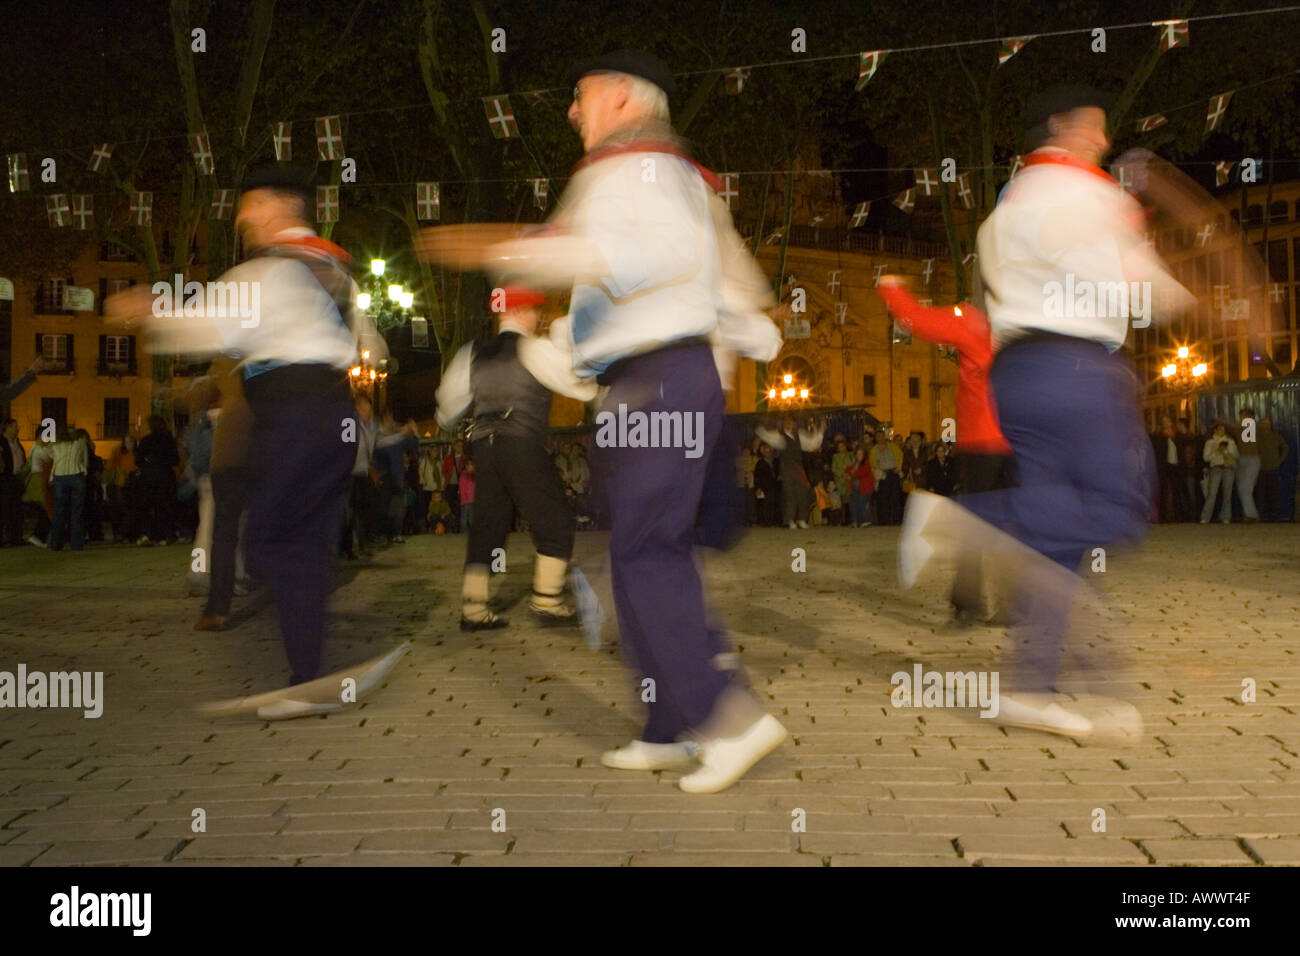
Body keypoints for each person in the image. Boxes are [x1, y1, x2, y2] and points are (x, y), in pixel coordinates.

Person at [419, 50, 787, 792]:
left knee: (647, 553)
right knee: (628, 557)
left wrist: (503, 247)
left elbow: (629, 256)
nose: (569, 109)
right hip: (647, 379)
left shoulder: (633, 170)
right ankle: (667, 723)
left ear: (619, 96)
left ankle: (731, 719)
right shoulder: (667, 172)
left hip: (656, 381)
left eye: (579, 93)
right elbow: (714, 285)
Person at [897, 84, 1192, 738]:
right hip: (1080, 369)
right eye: (1094, 127)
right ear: (1061, 127)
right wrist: (1179, 290)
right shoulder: (1092, 195)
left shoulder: (1003, 212)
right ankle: (958, 521)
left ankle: (1033, 687)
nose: (1103, 139)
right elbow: (1143, 287)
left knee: (1057, 539)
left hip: (1019, 373)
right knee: (1116, 510)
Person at [108, 165, 383, 718]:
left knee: (269, 545)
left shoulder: (268, 272)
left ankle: (311, 677)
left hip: (292, 413)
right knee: (302, 539)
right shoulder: (335, 271)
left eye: (252, 204)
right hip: (334, 416)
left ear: (286, 205)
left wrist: (149, 312)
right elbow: (372, 348)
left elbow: (210, 327)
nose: (242, 216)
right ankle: (309, 672)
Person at [435, 287, 597, 629]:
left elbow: (447, 406)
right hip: (521, 442)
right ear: (524, 311)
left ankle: (474, 609)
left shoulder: (473, 352)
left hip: (485, 445)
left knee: (488, 524)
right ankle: (547, 601)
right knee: (553, 517)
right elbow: (580, 386)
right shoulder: (533, 348)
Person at [877, 278, 1018, 621]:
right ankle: (991, 602)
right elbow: (918, 320)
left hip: (999, 440)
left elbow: (918, 320)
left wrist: (891, 288)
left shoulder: (989, 324)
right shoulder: (997, 321)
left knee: (991, 524)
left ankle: (979, 601)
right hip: (1000, 441)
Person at [196, 356, 255, 631]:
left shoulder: (225, 359)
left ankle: (218, 609)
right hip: (267, 451)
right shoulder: (274, 353)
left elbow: (199, 395)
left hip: (230, 455)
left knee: (225, 533)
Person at [755, 416, 824, 529]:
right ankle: (790, 520)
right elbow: (766, 436)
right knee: (789, 493)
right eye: (785, 421)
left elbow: (812, 444)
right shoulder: (779, 435)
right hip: (786, 466)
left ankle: (802, 519)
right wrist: (762, 427)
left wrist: (820, 431)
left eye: (790, 421)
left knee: (802, 492)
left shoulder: (799, 435)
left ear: (794, 423)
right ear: (782, 423)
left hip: (798, 466)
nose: (788, 423)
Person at [135, 416, 179, 546]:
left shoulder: (146, 441)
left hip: (149, 478)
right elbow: (175, 459)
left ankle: (147, 534)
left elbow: (138, 460)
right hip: (165, 476)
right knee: (164, 507)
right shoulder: (169, 440)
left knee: (148, 507)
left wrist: (147, 465)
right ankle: (167, 535)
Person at [48, 426, 88, 551]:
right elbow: (85, 461)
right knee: (77, 511)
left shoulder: (54, 446)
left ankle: (56, 543)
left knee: (59, 511)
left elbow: (51, 458)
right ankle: (76, 544)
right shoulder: (80, 444)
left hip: (59, 477)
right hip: (76, 475)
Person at [1200, 421, 1238, 524]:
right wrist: (1216, 451)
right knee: (1212, 494)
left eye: (1223, 430)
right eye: (1220, 429)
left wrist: (1227, 451)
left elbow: (1236, 455)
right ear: (1215, 431)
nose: (1222, 431)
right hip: (1216, 468)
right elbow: (1206, 457)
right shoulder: (1210, 442)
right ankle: (1205, 517)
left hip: (1228, 468)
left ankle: (1226, 516)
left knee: (1227, 494)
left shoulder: (1230, 441)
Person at [0, 419, 27, 546]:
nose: (18, 429)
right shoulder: (2, 442)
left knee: (17, 509)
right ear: (8, 428)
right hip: (5, 479)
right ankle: (4, 538)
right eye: (15, 427)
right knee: (5, 509)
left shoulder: (17, 443)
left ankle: (16, 537)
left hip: (18, 478)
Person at [1256, 417, 1289, 522]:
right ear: (1260, 425)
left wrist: (1279, 460)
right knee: (1260, 494)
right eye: (1264, 424)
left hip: (1273, 469)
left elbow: (1285, 448)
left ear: (1270, 425)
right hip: (1260, 469)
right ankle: (1260, 516)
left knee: (1273, 494)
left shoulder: (1276, 436)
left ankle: (1274, 517)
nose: (1266, 426)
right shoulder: (1256, 437)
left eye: (1267, 424)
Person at [869, 429, 904, 525]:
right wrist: (877, 472)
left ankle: (896, 520)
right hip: (882, 475)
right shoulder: (873, 450)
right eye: (878, 437)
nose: (880, 438)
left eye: (881, 436)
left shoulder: (893, 446)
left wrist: (899, 467)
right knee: (883, 499)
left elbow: (900, 456)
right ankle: (884, 521)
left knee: (895, 498)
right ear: (875, 438)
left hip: (893, 473)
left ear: (884, 437)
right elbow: (872, 463)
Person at [1233, 408, 1262, 523]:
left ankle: (1251, 514)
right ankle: (1250, 514)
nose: (1242, 419)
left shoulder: (1253, 427)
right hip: (1242, 459)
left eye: (1244, 416)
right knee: (1243, 488)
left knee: (1245, 488)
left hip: (1251, 459)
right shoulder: (1242, 428)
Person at [845, 445, 874, 527]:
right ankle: (855, 521)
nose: (859, 456)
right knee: (853, 504)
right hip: (855, 488)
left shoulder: (866, 463)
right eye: (857, 454)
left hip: (865, 488)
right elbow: (847, 469)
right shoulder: (855, 463)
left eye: (860, 454)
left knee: (863, 504)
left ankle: (866, 520)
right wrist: (849, 472)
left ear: (864, 455)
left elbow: (862, 472)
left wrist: (852, 473)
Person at [753, 442, 780, 527]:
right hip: (765, 487)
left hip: (775, 486)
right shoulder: (760, 463)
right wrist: (758, 488)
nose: (768, 453)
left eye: (769, 451)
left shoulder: (776, 462)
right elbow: (757, 477)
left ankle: (775, 522)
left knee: (776, 504)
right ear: (763, 453)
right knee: (765, 505)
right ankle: (766, 522)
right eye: (766, 451)